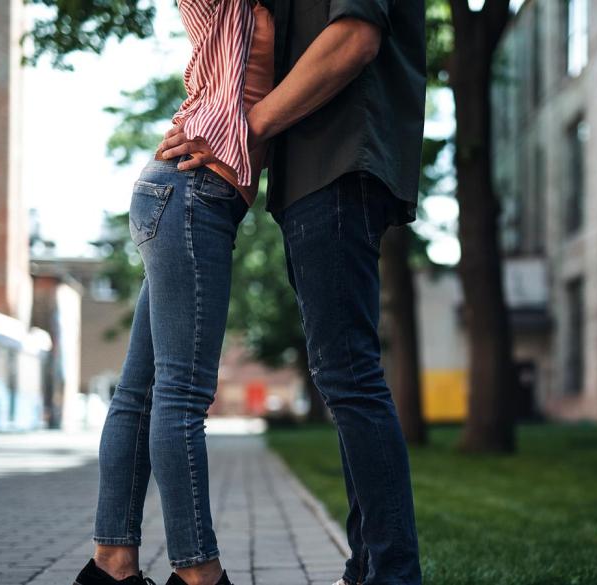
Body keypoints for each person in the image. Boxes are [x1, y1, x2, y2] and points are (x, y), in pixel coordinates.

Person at [71, 1, 275, 584]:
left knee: (139, 393)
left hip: (183, 196)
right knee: (181, 396)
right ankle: (198, 574)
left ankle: (112, 566)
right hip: (192, 196)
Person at [243, 0, 428, 582]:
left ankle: (391, 574)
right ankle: (368, 567)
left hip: (337, 164)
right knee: (344, 379)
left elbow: (354, 37)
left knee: (350, 377)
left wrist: (247, 124)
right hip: (316, 172)